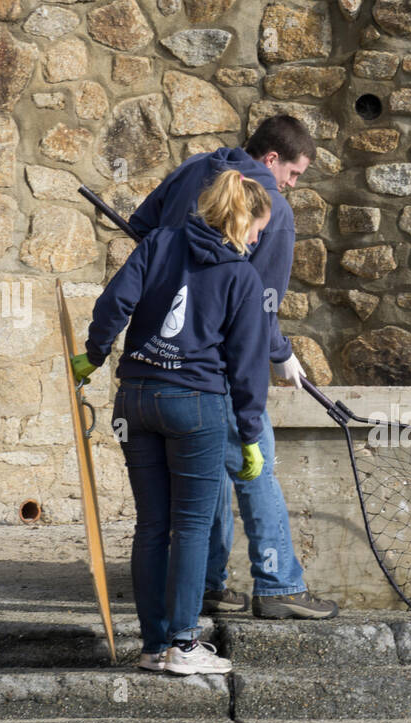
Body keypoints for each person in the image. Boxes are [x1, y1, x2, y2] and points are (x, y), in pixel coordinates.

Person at [128, 115, 338, 621]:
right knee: (254, 463)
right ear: (271, 160)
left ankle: (206, 583)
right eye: (294, 173)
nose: (290, 185)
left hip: (159, 360)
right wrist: (281, 352)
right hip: (218, 368)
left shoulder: (194, 168)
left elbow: (140, 230)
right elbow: (258, 307)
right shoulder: (274, 209)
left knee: (206, 476)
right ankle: (279, 585)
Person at [70, 171, 273, 675]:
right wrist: (249, 435)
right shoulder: (242, 277)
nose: (257, 239)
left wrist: (93, 356)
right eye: (257, 230)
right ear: (241, 221)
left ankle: (154, 645)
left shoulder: (159, 242)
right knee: (191, 527)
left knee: (153, 526)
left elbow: (114, 303)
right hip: (196, 406)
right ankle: (184, 645)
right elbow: (248, 365)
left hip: (136, 398)